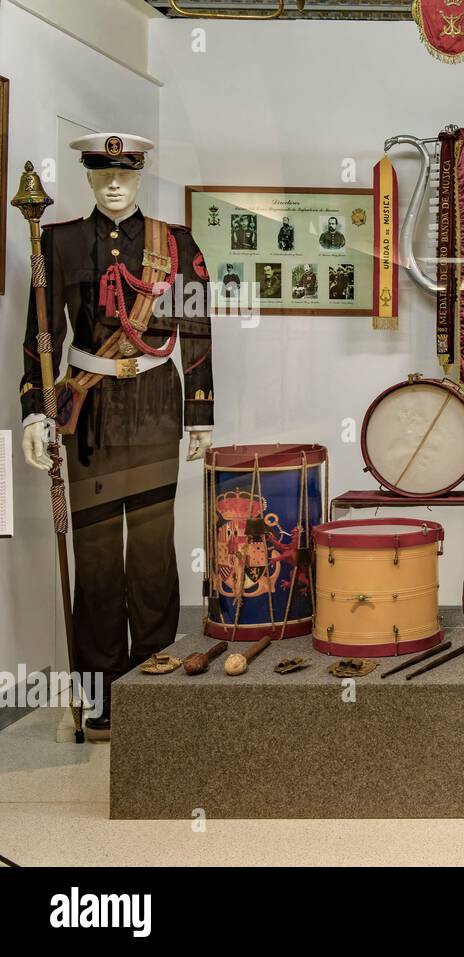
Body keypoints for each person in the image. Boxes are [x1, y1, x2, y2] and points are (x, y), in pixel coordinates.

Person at [17, 134, 215, 736]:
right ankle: (98, 701)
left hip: (155, 404)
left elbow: (198, 326)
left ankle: (150, 687)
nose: (114, 183)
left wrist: (200, 412)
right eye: (102, 172)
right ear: (88, 175)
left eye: (124, 172)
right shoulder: (59, 241)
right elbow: (40, 336)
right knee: (98, 556)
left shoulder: (175, 245)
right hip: (92, 410)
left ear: (140, 173)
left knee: (152, 552)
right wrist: (33, 411)